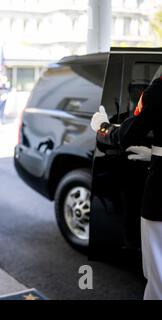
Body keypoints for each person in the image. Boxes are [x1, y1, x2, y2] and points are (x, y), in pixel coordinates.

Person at [90, 72, 162, 300]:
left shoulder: (159, 88)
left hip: (161, 196)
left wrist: (102, 127)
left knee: (158, 274)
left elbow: (126, 135)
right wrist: (155, 154)